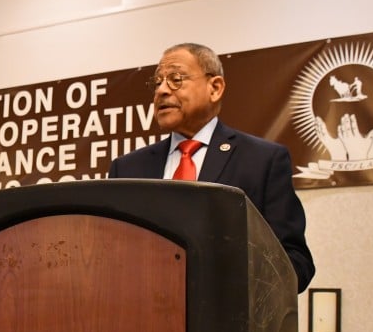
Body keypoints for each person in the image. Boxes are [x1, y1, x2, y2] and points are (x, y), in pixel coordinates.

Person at [109, 43, 315, 292]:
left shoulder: (263, 161)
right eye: (157, 82)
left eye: (175, 79)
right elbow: (111, 257)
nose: (161, 90)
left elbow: (295, 263)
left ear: (215, 88)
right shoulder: (127, 169)